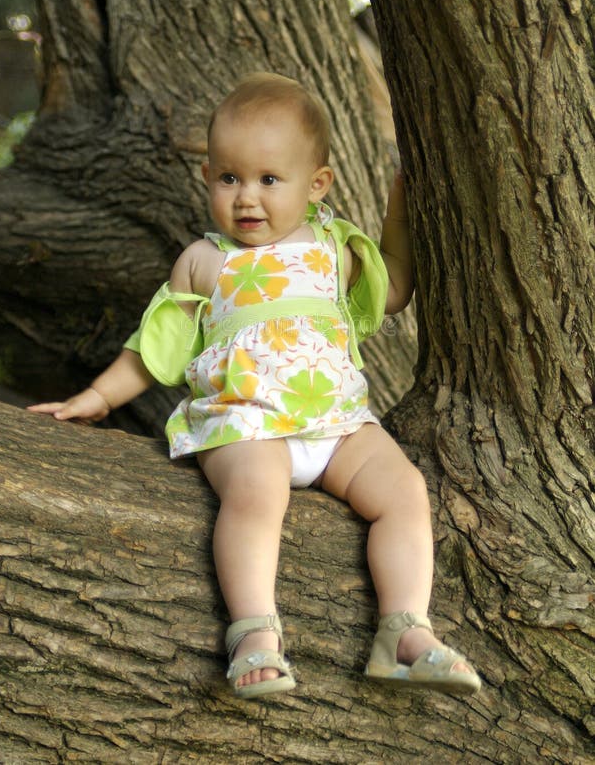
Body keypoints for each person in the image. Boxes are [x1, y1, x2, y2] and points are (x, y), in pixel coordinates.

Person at [29, 73, 481, 699]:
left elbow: (396, 286)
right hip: (244, 423)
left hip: (336, 425)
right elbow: (154, 347)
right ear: (208, 176)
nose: (247, 198)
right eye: (230, 178)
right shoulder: (204, 261)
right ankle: (253, 633)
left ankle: (404, 632)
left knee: (404, 488)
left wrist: (399, 205)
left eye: (270, 180)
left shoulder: (332, 245)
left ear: (316, 184)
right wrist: (98, 397)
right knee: (258, 492)